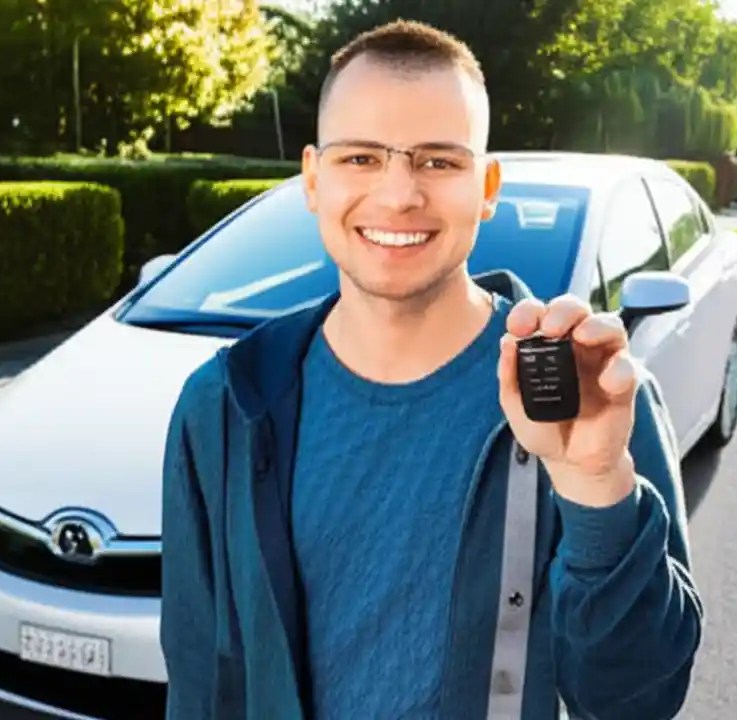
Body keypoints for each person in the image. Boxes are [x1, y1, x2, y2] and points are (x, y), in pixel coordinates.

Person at [160, 19, 703, 720]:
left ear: (487, 185)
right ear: (312, 179)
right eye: (360, 158)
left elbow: (639, 697)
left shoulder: (583, 399)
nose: (398, 195)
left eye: (439, 161)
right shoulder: (224, 405)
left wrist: (596, 487)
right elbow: (203, 679)